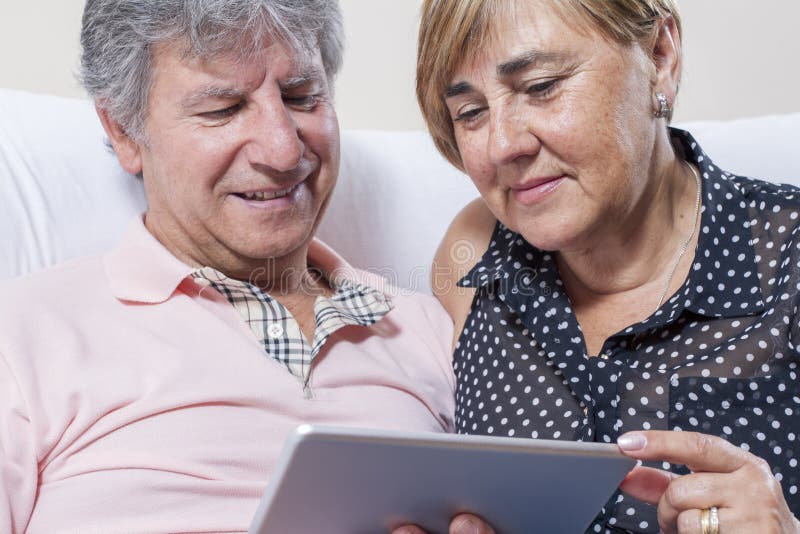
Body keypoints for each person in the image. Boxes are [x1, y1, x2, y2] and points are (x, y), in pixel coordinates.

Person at [0, 1, 457, 532]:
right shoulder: (21, 335)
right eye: (223, 109)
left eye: (301, 97)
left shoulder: (431, 329)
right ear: (124, 131)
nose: (283, 152)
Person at [413, 0, 800, 533]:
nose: (502, 146)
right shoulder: (474, 250)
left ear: (659, 56)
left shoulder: (787, 256)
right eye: (471, 112)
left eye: (542, 86)